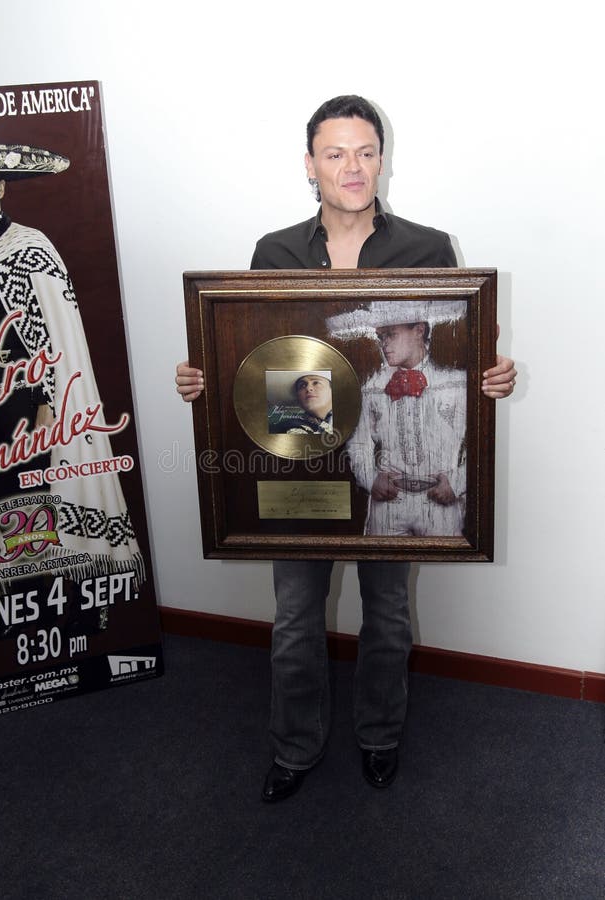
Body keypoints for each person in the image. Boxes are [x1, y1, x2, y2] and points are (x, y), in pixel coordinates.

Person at [176, 95, 516, 802]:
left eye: (364, 151)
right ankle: (293, 750)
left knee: (386, 615)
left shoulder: (427, 246)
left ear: (381, 159)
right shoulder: (273, 251)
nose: (351, 166)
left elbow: (459, 340)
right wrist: (204, 378)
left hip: (397, 466)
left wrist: (491, 376)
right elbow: (258, 358)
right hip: (305, 459)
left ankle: (378, 739)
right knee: (296, 620)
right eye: (335, 153)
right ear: (310, 164)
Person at [0, 124, 143, 589]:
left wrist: (48, 413)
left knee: (34, 510)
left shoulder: (31, 249)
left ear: (2, 188)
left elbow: (57, 344)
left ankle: (55, 605)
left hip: (27, 405)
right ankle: (17, 602)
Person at [327, 300, 467, 536]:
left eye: (391, 334)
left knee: (445, 572)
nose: (385, 344)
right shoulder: (371, 388)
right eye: (381, 337)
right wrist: (371, 479)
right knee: (381, 569)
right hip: (389, 504)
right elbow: (358, 443)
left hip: (441, 501)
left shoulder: (456, 384)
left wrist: (457, 482)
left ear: (419, 330)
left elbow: (481, 442)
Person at [267, 370, 333, 434]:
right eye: (302, 385)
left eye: (316, 383)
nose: (308, 388)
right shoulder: (291, 426)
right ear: (298, 399)